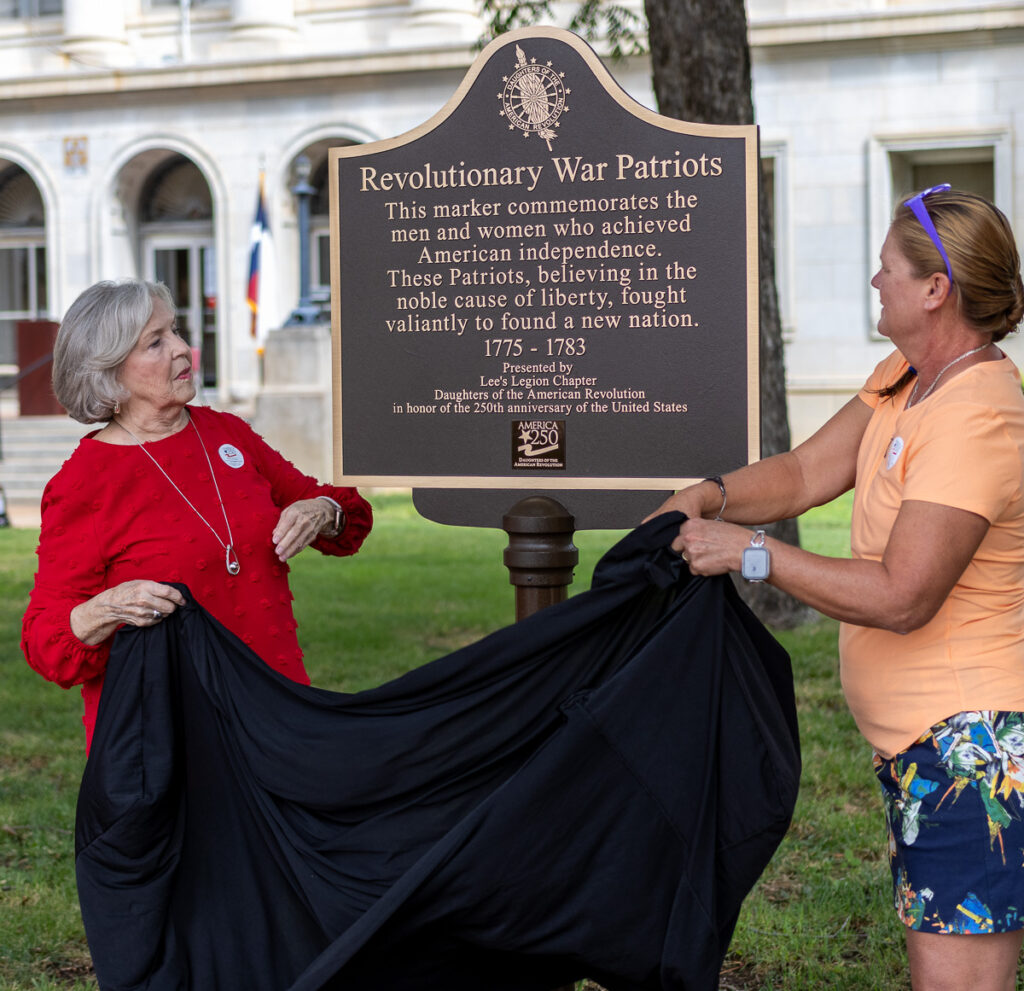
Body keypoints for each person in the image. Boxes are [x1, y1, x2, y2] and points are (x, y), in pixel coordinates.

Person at [650, 185, 1024, 991]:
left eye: (886, 267)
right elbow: (804, 471)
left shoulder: (977, 415)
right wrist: (706, 495)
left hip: (972, 754)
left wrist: (751, 553)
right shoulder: (907, 376)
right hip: (920, 748)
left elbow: (902, 594)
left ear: (936, 288)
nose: (872, 281)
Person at [21, 278, 372, 752]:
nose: (184, 350)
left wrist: (320, 510)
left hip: (278, 711)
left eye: (177, 331)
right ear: (110, 372)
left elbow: (348, 518)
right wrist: (106, 608)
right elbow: (47, 644)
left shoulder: (227, 433)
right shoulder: (84, 483)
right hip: (167, 739)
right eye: (156, 342)